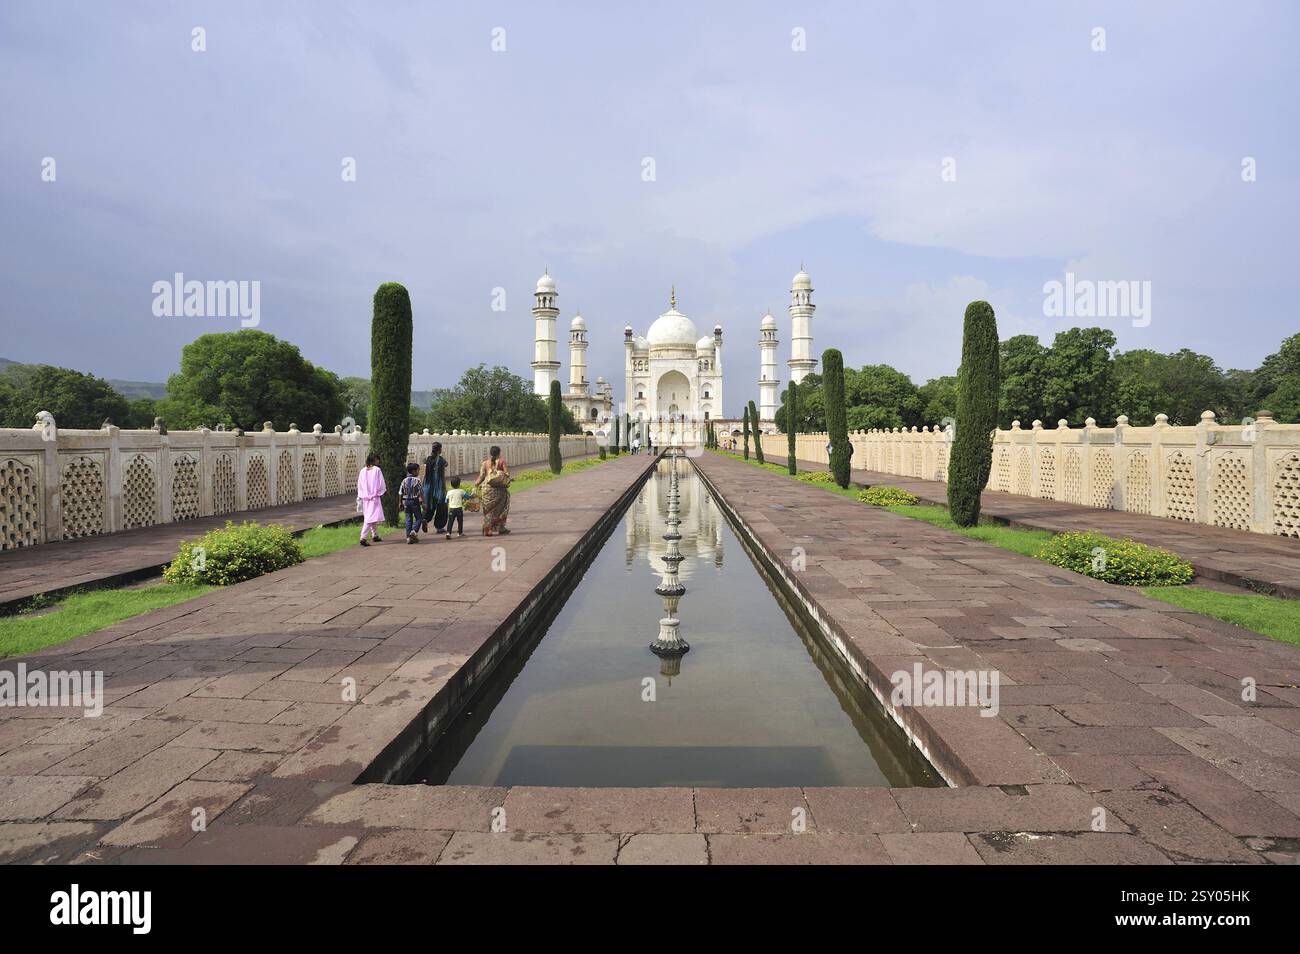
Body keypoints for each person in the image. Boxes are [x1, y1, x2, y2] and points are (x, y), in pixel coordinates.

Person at [475, 444, 511, 536]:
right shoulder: (502, 461)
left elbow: (482, 476)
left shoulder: (485, 463)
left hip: (487, 490)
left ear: (490, 453)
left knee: (488, 510)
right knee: (502, 509)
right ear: (499, 453)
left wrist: (476, 484)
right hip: (499, 490)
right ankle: (500, 527)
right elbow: (507, 474)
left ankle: (488, 529)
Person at [357, 452, 386, 546]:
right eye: (377, 459)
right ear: (374, 460)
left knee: (371, 516)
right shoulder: (377, 470)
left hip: (365, 498)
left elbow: (360, 484)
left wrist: (362, 495)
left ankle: (375, 535)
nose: (378, 461)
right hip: (374, 497)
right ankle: (363, 537)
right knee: (369, 518)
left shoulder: (362, 471)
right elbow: (381, 483)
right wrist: (379, 492)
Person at [421, 441, 448, 533]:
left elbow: (424, 474)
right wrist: (444, 488)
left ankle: (425, 519)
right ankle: (439, 526)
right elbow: (443, 475)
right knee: (441, 506)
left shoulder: (427, 459)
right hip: (438, 486)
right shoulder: (441, 461)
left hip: (428, 486)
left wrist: (422, 486)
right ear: (440, 449)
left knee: (428, 505)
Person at [399, 462, 423, 544]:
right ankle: (413, 532)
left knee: (408, 519)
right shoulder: (417, 480)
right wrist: (424, 502)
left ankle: (408, 538)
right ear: (413, 471)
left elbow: (400, 492)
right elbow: (421, 492)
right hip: (414, 501)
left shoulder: (404, 480)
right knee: (419, 518)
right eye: (417, 470)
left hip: (406, 502)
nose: (418, 472)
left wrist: (400, 503)